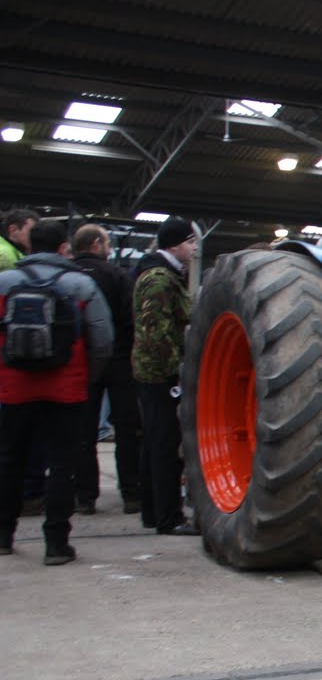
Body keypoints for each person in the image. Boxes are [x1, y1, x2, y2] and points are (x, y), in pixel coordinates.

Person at [0, 223, 113, 564]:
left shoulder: (5, 282)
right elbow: (103, 339)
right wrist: (87, 378)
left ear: (30, 245)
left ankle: (4, 536)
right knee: (62, 465)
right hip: (66, 389)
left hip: (13, 387)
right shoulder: (81, 284)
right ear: (64, 248)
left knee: (8, 461)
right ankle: (56, 544)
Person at [132, 216, 198, 536]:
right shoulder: (160, 279)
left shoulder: (164, 274)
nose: (194, 248)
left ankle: (152, 511)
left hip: (153, 372)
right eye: (190, 242)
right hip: (159, 376)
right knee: (164, 445)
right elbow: (156, 333)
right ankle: (168, 517)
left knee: (154, 444)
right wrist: (175, 372)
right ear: (174, 244)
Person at [72, 224, 142, 515]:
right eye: (107, 242)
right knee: (127, 429)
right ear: (97, 244)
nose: (110, 248)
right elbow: (131, 317)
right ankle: (131, 494)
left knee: (82, 431)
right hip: (118, 361)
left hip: (80, 363)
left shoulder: (69, 275)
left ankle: (85, 497)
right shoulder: (117, 275)